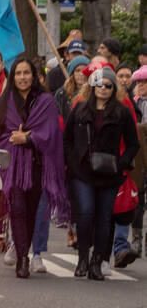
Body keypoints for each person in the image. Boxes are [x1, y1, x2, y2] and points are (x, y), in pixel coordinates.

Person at [0, 53, 66, 278]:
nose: (23, 77)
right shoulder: (4, 101)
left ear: (34, 76)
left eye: (27, 73)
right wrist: (15, 140)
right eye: (19, 73)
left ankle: (27, 250)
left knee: (32, 212)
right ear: (13, 77)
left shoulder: (45, 102)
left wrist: (29, 139)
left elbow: (51, 133)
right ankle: (22, 257)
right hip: (12, 167)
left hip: (37, 166)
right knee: (18, 209)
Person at [64, 66, 139, 279]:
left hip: (110, 173)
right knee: (86, 213)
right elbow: (67, 138)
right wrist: (72, 161)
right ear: (92, 86)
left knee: (105, 218)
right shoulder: (79, 109)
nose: (103, 88)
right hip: (82, 172)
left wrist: (121, 163)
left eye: (108, 85)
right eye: (99, 84)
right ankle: (82, 259)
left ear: (114, 88)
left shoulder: (121, 112)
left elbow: (134, 144)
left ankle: (98, 261)